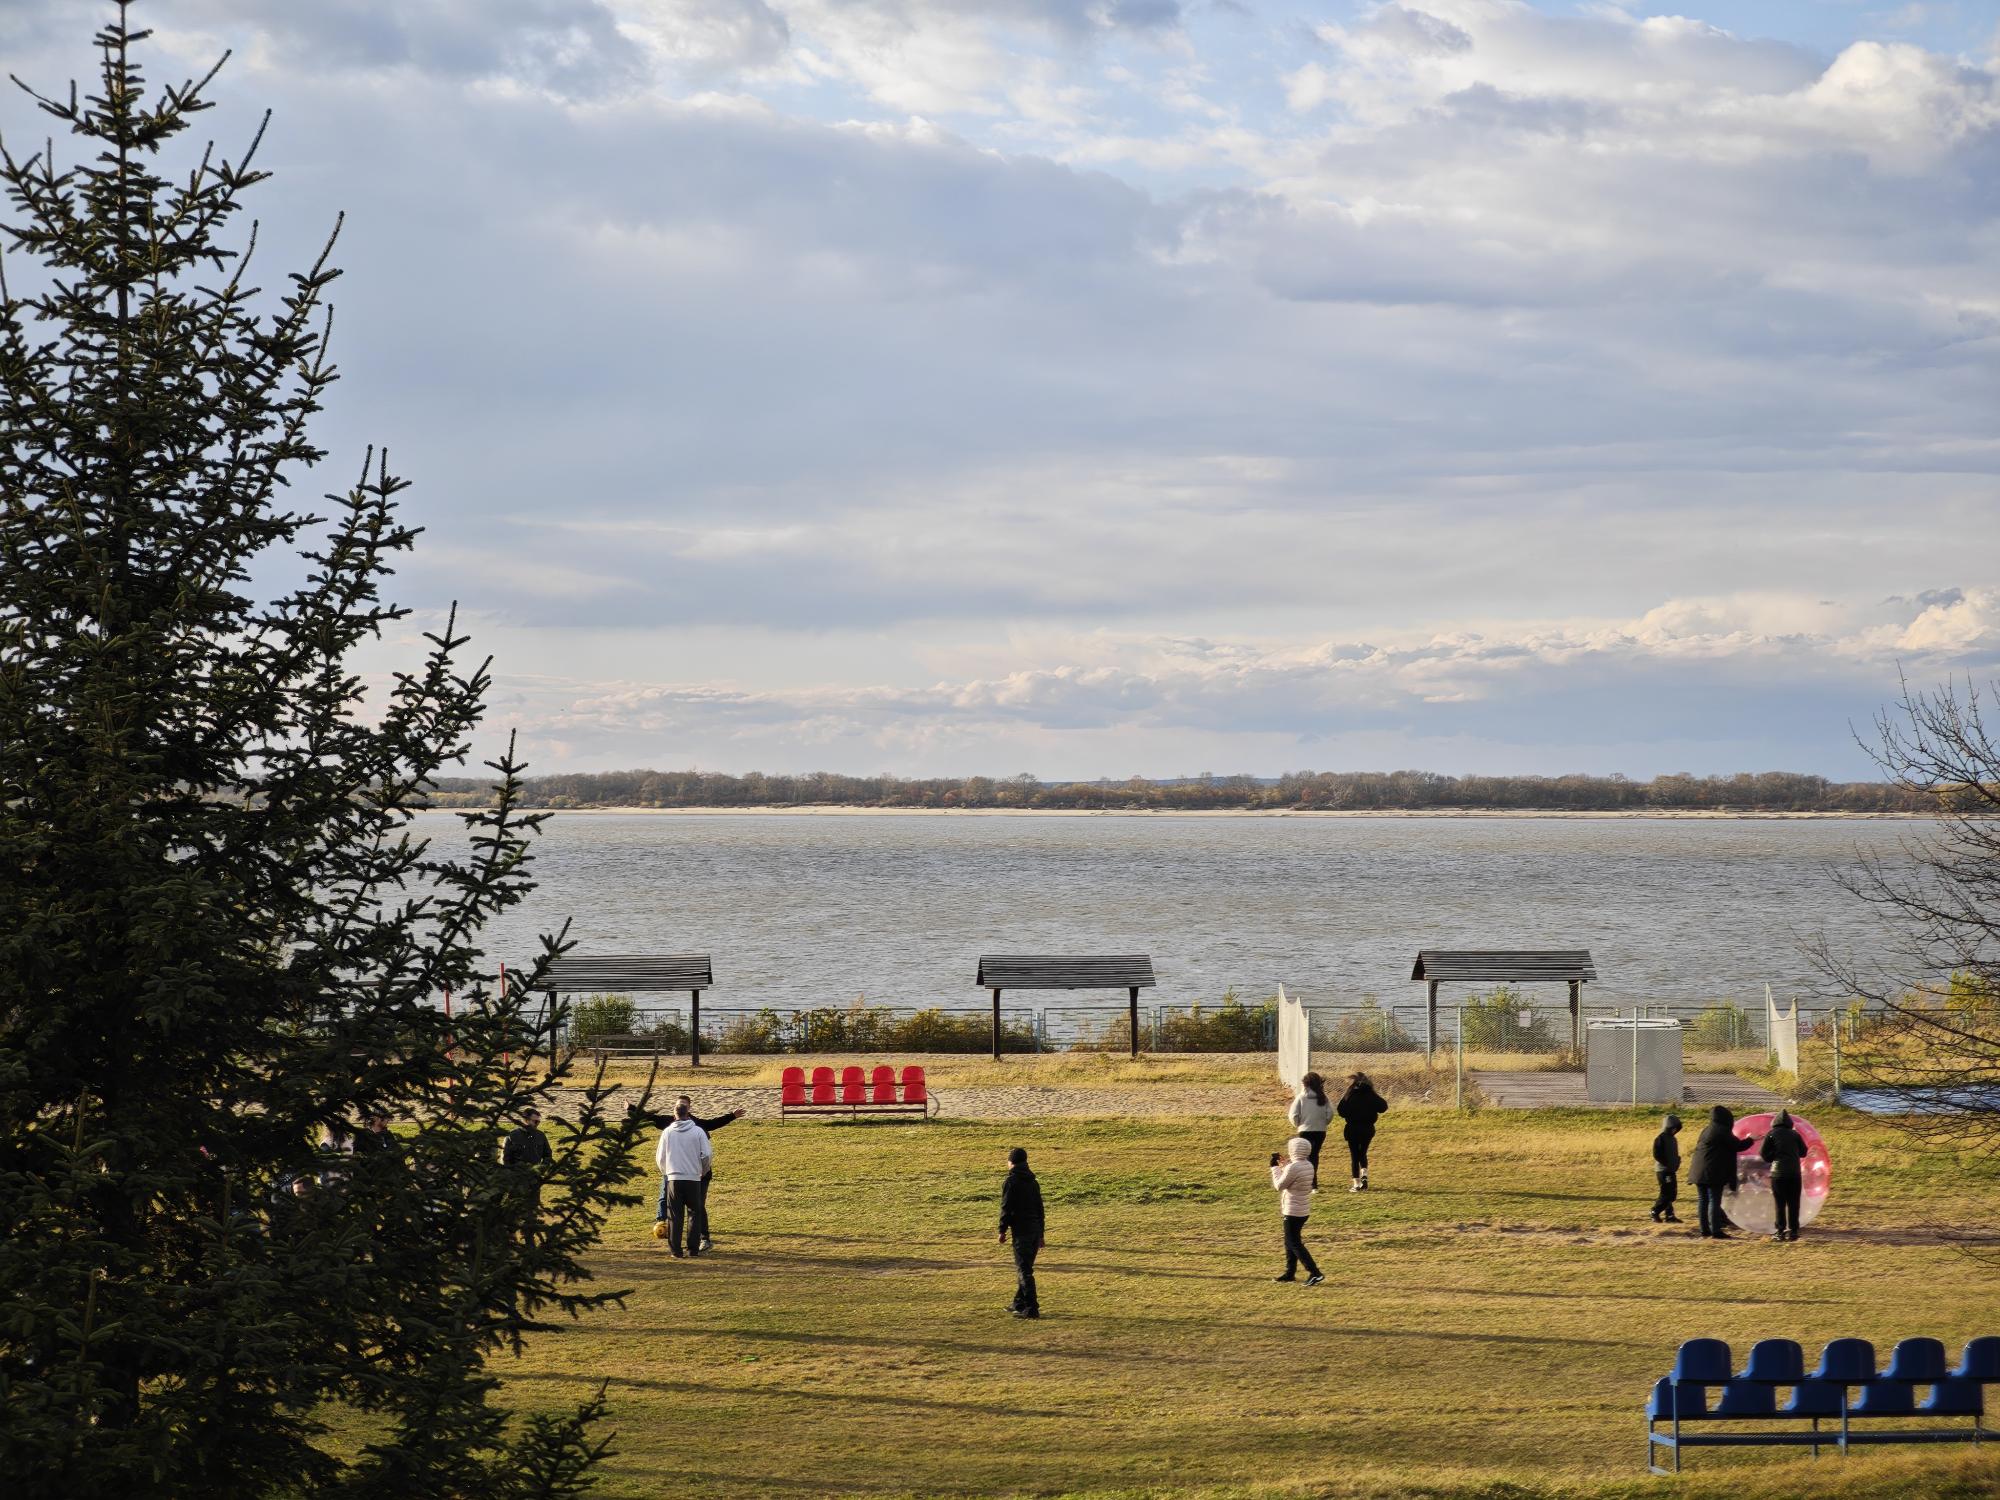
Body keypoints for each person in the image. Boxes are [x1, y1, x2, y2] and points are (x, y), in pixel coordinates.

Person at [679, 1095, 745, 1252]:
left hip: (700, 1173)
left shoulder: (698, 1126)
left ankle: (704, 1239)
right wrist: (633, 1109)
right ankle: (675, 1235)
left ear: (689, 1108)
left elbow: (712, 1124)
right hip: (680, 1172)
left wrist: (731, 1116)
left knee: (698, 1206)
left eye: (684, 1105)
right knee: (676, 1205)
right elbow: (653, 1118)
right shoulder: (671, 1125)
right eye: (679, 1105)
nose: (681, 1108)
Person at [1686, 1104, 1755, 1240]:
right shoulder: (1721, 1131)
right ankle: (1716, 1231)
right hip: (1713, 1172)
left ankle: (1704, 1230)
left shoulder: (1707, 1129)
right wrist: (1751, 1139)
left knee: (1703, 1200)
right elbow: (1737, 1146)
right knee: (1714, 1201)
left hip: (1698, 1170)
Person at [654, 1103, 713, 1257]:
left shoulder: (667, 1132)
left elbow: (660, 1157)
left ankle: (675, 1250)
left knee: (674, 1215)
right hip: (693, 1178)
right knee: (695, 1213)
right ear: (689, 1113)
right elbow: (706, 1155)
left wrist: (666, 1173)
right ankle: (693, 1249)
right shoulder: (698, 1131)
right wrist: (702, 1170)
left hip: (674, 1178)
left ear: (674, 1115)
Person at [1270, 1137, 1324, 1285]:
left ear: (1293, 1151)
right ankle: (1290, 1272)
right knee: (1290, 1241)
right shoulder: (1308, 1164)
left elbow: (1279, 1186)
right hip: (1302, 1209)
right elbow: (1294, 1177)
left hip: (1292, 1210)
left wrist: (1275, 1168)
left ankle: (1314, 1272)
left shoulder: (1293, 1167)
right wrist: (1285, 1165)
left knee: (1294, 1242)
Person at [998, 1146, 1045, 1319]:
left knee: (1024, 1270)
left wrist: (1002, 1230)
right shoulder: (1033, 1182)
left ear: (1012, 1162)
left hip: (1021, 1233)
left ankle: (1032, 1308)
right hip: (1034, 1231)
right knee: (1025, 1267)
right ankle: (1019, 1303)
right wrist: (1041, 1235)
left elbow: (1006, 1207)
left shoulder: (1010, 1182)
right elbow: (1040, 1209)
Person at [502, 1106, 554, 1241]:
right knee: (514, 1208)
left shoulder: (540, 1136)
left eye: (538, 1122)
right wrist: (512, 1174)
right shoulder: (512, 1136)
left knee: (532, 1207)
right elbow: (505, 1158)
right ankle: (510, 1234)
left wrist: (542, 1168)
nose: (537, 1124)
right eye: (535, 1121)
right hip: (517, 1180)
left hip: (534, 1180)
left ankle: (529, 1236)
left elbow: (548, 1155)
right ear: (525, 1120)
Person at [1759, 1110, 1810, 1242]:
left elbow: (1763, 1154)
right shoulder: (1795, 1134)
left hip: (1778, 1174)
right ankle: (1793, 1232)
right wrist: (1792, 1154)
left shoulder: (1771, 1134)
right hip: (1794, 1173)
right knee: (1794, 1203)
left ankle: (1780, 1231)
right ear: (1789, 1123)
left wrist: (1774, 1157)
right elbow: (1804, 1152)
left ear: (1774, 1123)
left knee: (1780, 1203)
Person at [1335, 1071, 1389, 1192]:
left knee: (1354, 1156)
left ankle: (1356, 1183)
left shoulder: (1350, 1093)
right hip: (1368, 1129)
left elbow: (1341, 1110)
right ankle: (1364, 1172)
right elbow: (1383, 1107)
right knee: (1363, 1152)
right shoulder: (1371, 1094)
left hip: (1352, 1128)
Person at [1289, 1071, 1333, 1188]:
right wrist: (1324, 1123)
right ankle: (1313, 1182)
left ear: (1305, 1084)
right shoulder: (1323, 1097)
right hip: (1320, 1131)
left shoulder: (1301, 1097)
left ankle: (1308, 1182)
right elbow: (1330, 1113)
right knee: (1314, 1155)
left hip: (1304, 1130)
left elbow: (1293, 1115)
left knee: (1304, 1156)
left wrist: (1298, 1124)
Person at [1650, 1113, 1682, 1223]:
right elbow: (1656, 1154)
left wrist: (1677, 1161)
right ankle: (1655, 1211)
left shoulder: (1673, 1139)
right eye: (1673, 1128)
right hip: (1663, 1171)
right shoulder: (1660, 1138)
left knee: (1672, 1193)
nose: (1675, 1130)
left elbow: (1674, 1154)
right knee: (1666, 1193)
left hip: (1671, 1170)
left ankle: (1669, 1215)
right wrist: (1667, 1163)